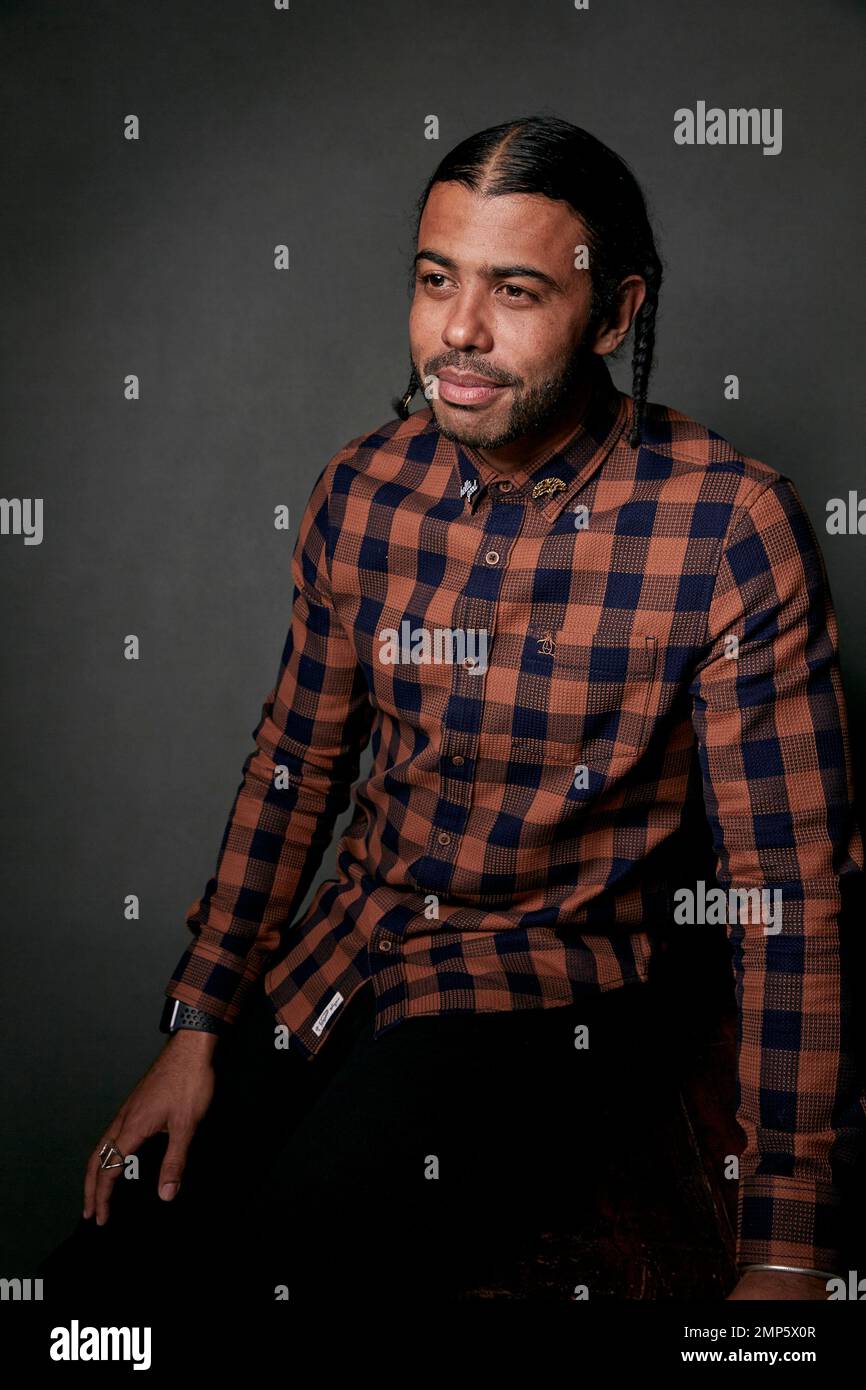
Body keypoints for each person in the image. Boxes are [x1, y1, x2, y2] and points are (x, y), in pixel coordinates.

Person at [38, 114, 865, 1305]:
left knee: (293, 1272)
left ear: (616, 312)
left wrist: (788, 1241)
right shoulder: (363, 488)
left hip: (545, 992)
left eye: (514, 290)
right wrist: (199, 1021)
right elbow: (294, 765)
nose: (458, 332)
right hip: (348, 952)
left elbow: (787, 893)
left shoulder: (727, 526)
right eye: (436, 281)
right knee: (94, 1292)